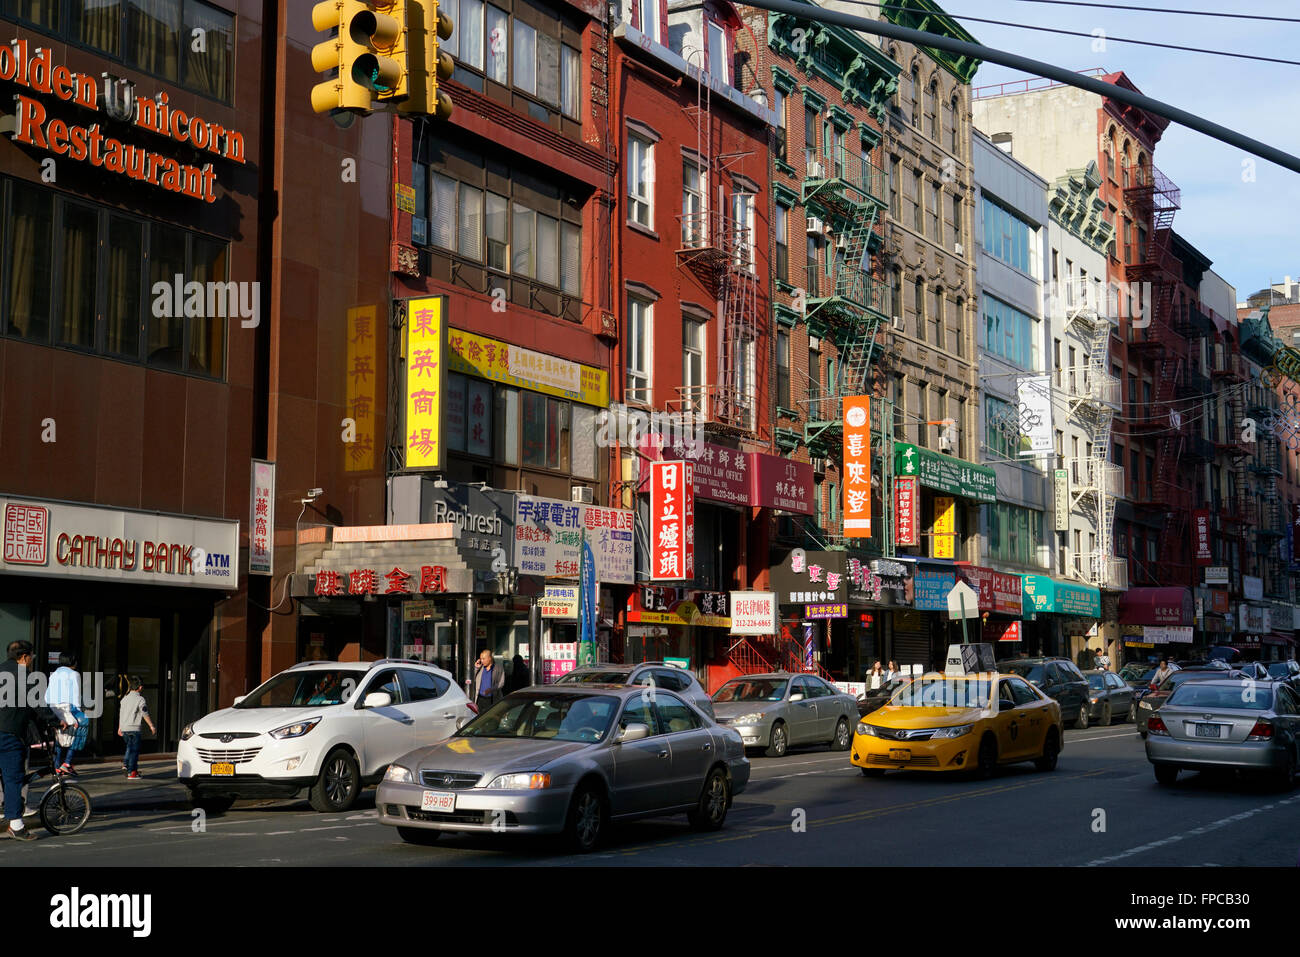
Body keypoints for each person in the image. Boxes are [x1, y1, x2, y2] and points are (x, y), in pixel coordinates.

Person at [0, 641, 38, 840]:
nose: (32, 660)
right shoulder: (26, 676)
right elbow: (39, 705)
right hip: (9, 734)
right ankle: (16, 825)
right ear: (24, 657)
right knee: (13, 778)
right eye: (32, 656)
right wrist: (59, 720)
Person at [44, 653, 86, 776]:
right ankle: (67, 763)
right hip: (68, 707)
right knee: (79, 733)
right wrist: (78, 713)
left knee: (60, 736)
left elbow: (48, 694)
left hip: (54, 708)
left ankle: (57, 766)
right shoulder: (74, 674)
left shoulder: (54, 674)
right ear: (72, 662)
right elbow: (76, 694)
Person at [117, 677, 156, 781]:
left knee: (130, 747)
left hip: (124, 728)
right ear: (140, 687)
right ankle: (132, 772)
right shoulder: (140, 699)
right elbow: (144, 713)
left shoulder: (124, 699)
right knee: (134, 751)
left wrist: (119, 727)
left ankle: (126, 764)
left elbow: (121, 714)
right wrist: (151, 725)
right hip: (134, 728)